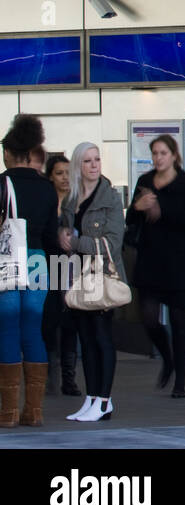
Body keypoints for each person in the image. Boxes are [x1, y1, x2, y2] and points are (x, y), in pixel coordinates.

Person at [126, 135, 185, 398]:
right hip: (150, 259)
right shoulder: (145, 181)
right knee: (148, 316)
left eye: (163, 153)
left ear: (173, 155)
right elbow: (131, 218)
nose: (158, 158)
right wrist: (138, 206)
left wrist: (159, 206)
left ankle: (180, 381)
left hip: (180, 261)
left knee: (180, 321)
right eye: (155, 153)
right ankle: (166, 357)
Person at [59, 141, 126, 423]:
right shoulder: (72, 198)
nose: (94, 165)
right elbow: (65, 230)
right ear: (78, 165)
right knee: (85, 339)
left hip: (101, 275)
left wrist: (75, 241)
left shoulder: (110, 197)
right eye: (87, 161)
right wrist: (62, 236)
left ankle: (104, 400)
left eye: (97, 159)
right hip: (78, 275)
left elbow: (113, 242)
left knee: (101, 337)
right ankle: (92, 398)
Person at [0, 116, 59, 426]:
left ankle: (8, 412)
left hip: (8, 262)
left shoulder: (1, 183)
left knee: (8, 329)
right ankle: (33, 411)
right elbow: (52, 237)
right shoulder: (47, 189)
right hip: (38, 262)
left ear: (11, 152)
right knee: (32, 331)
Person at [40, 154, 79, 398]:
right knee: (49, 324)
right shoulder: (46, 203)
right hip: (48, 268)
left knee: (71, 325)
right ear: (50, 177)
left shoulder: (77, 202)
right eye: (59, 173)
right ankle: (49, 377)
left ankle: (69, 379)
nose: (65, 177)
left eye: (67, 172)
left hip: (73, 270)